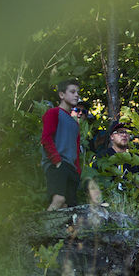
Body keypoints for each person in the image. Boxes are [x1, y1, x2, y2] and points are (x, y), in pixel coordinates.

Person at [40, 78, 83, 210]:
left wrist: (77, 170)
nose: (76, 95)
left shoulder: (75, 123)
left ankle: (59, 231)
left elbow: (75, 149)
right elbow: (46, 138)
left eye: (77, 92)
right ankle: (43, 230)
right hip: (57, 164)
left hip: (71, 168)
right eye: (72, 91)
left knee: (67, 207)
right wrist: (57, 161)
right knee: (58, 200)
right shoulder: (53, 113)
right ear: (61, 95)